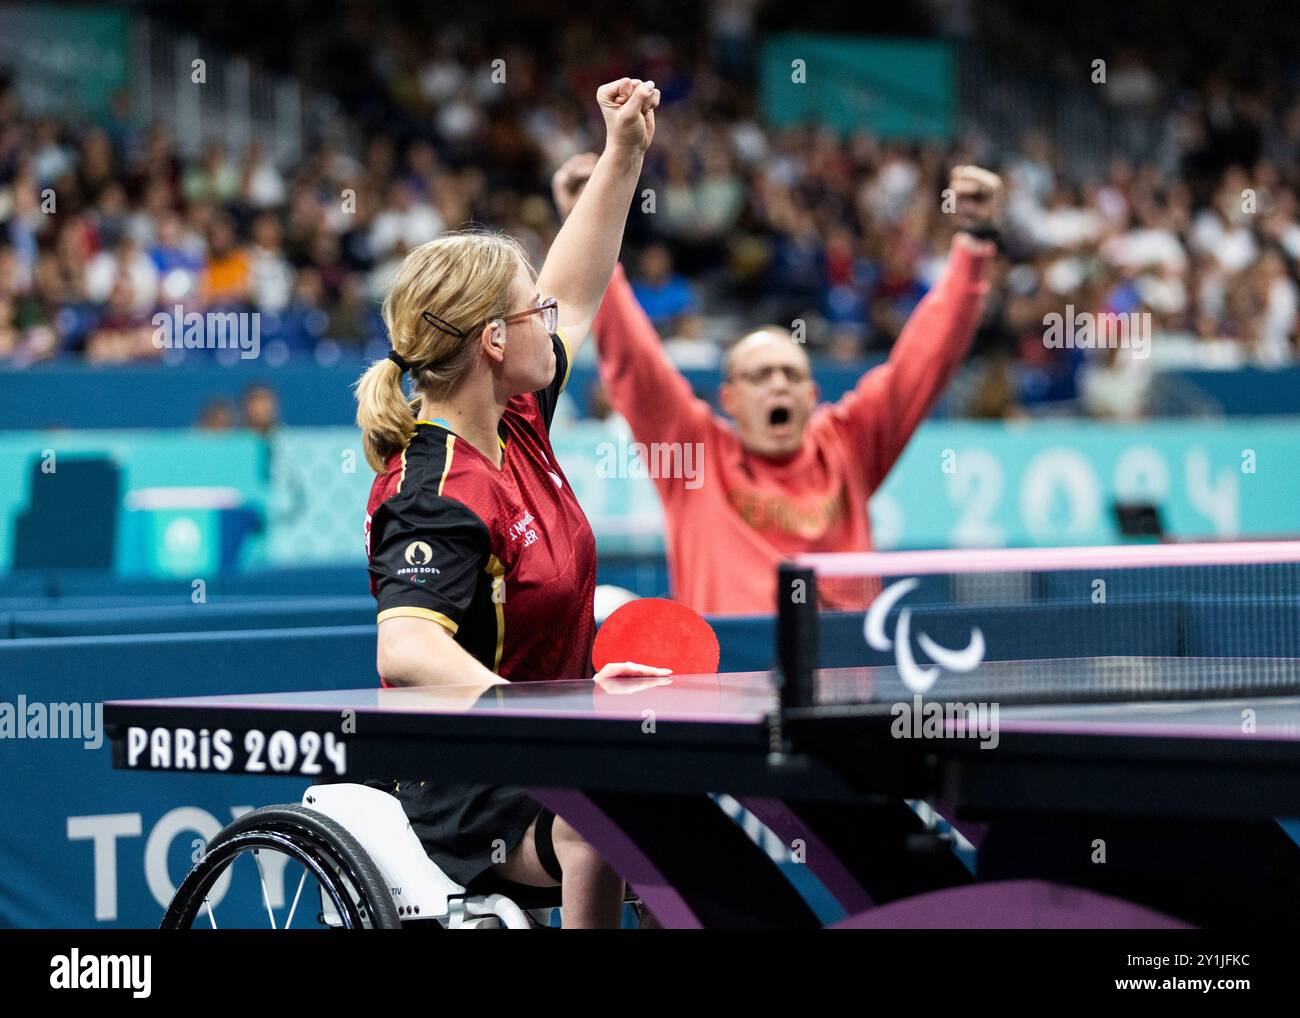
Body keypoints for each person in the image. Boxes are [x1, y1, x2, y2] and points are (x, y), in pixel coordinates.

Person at [353, 78, 663, 928]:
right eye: (535, 313)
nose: (552, 319)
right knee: (605, 826)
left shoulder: (517, 419)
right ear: (495, 341)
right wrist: (540, 719)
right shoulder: (433, 491)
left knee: (672, 797)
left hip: (547, 751)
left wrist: (623, 153)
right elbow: (409, 650)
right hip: (463, 782)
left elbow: (582, 282)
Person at [554, 155, 1003, 614]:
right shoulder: (693, 455)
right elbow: (633, 357)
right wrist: (588, 217)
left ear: (812, 396)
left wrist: (974, 241)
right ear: (729, 398)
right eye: (760, 375)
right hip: (730, 677)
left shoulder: (848, 447)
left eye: (791, 375)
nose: (778, 386)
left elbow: (922, 362)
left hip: (842, 673)